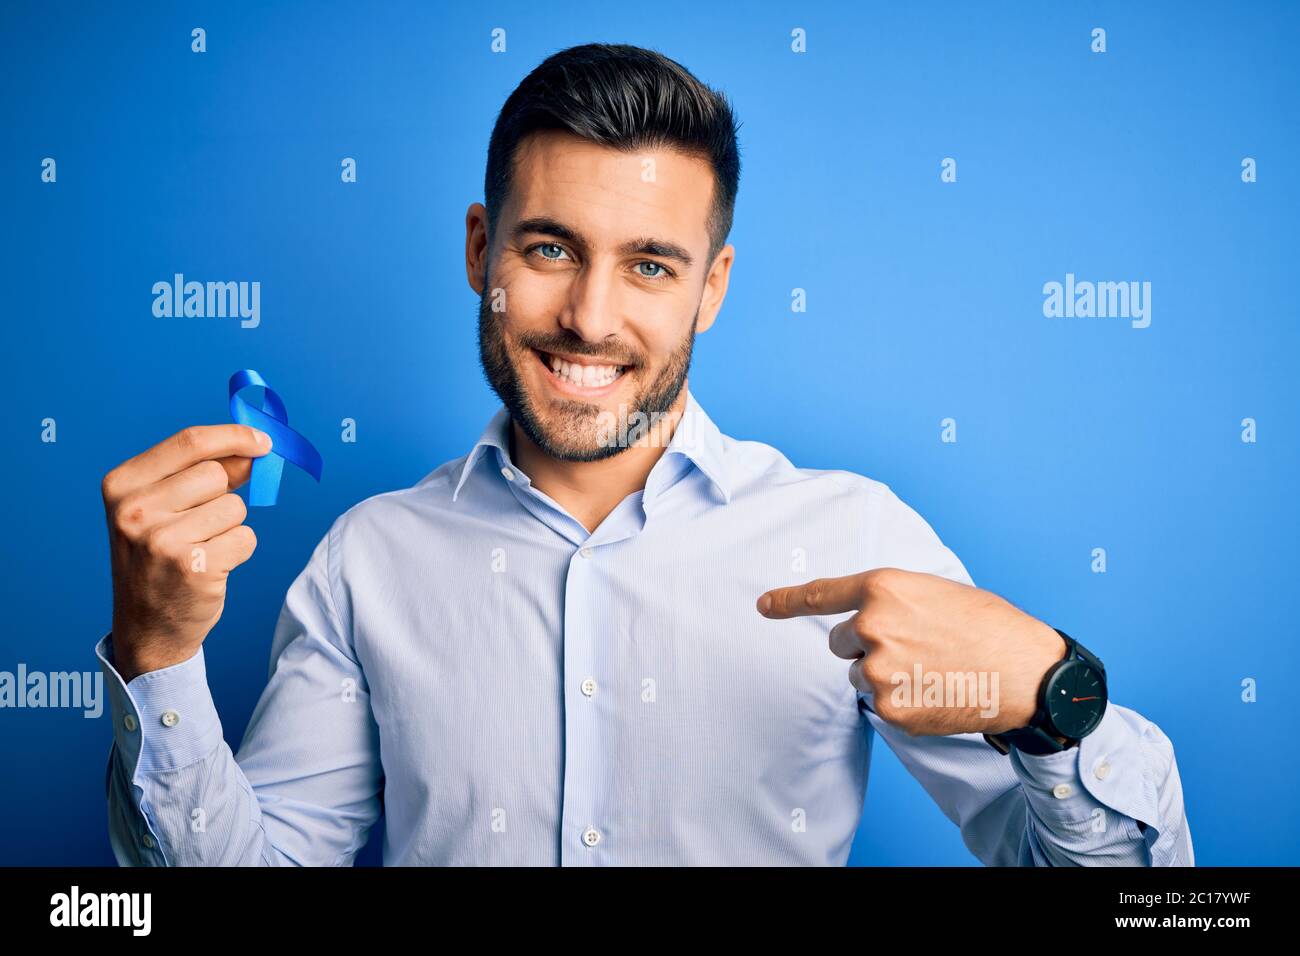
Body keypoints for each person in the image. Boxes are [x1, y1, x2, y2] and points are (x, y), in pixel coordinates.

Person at [95, 43, 1192, 866]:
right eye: (549, 247)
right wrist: (156, 652)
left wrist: (1055, 699)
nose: (588, 315)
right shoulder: (366, 559)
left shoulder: (851, 537)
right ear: (482, 249)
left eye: (652, 266)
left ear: (711, 287)